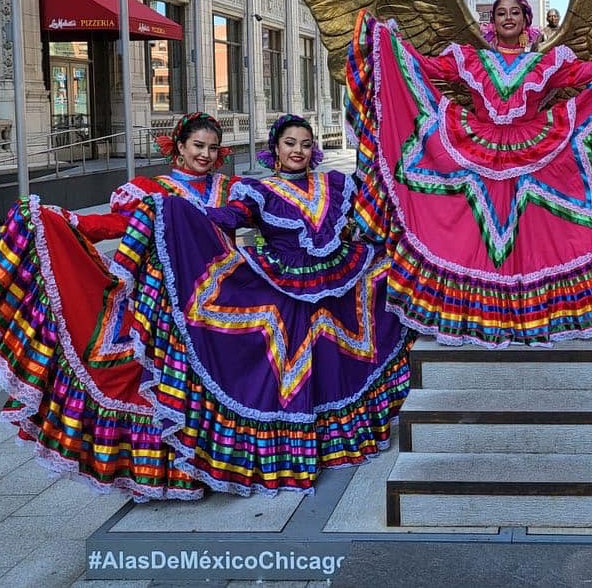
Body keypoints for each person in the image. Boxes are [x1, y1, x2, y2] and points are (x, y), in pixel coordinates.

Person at [346, 0, 592, 346]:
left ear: (527, 21)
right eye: (500, 13)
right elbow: (423, 67)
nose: (507, 18)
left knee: (533, 237)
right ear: (491, 23)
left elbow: (589, 73)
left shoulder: (548, 62)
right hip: (474, 151)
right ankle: (480, 315)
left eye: (515, 13)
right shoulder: (469, 59)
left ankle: (535, 314)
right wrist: (389, 43)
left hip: (538, 153)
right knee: (478, 236)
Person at [117, 114, 411, 495]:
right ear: (275, 148)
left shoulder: (335, 184)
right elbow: (226, 218)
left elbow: (369, 212)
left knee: (334, 364)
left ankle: (333, 443)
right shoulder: (258, 190)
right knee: (289, 374)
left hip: (339, 284)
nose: (298, 151)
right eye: (290, 143)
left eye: (305, 144)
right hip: (280, 288)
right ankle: (290, 456)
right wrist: (175, 210)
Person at [0, 112, 236, 499]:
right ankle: (173, 473)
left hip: (218, 303)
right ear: (179, 146)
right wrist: (65, 221)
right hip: (165, 305)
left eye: (212, 148)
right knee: (158, 385)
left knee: (219, 384)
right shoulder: (153, 190)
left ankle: (216, 463)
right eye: (197, 146)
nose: (204, 154)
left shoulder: (230, 189)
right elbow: (113, 227)